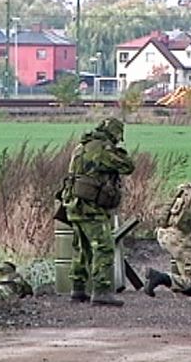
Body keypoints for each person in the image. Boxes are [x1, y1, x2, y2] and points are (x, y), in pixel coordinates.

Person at [62, 117, 135, 306]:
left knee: (81, 248)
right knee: (104, 246)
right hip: (90, 208)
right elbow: (128, 166)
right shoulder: (103, 149)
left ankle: (77, 289)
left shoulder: (81, 146)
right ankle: (102, 291)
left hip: (74, 205)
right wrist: (119, 150)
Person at [143, 163, 191, 297]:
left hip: (165, 234)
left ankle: (175, 283)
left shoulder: (185, 188)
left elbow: (164, 210)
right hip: (182, 240)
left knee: (186, 272)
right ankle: (159, 277)